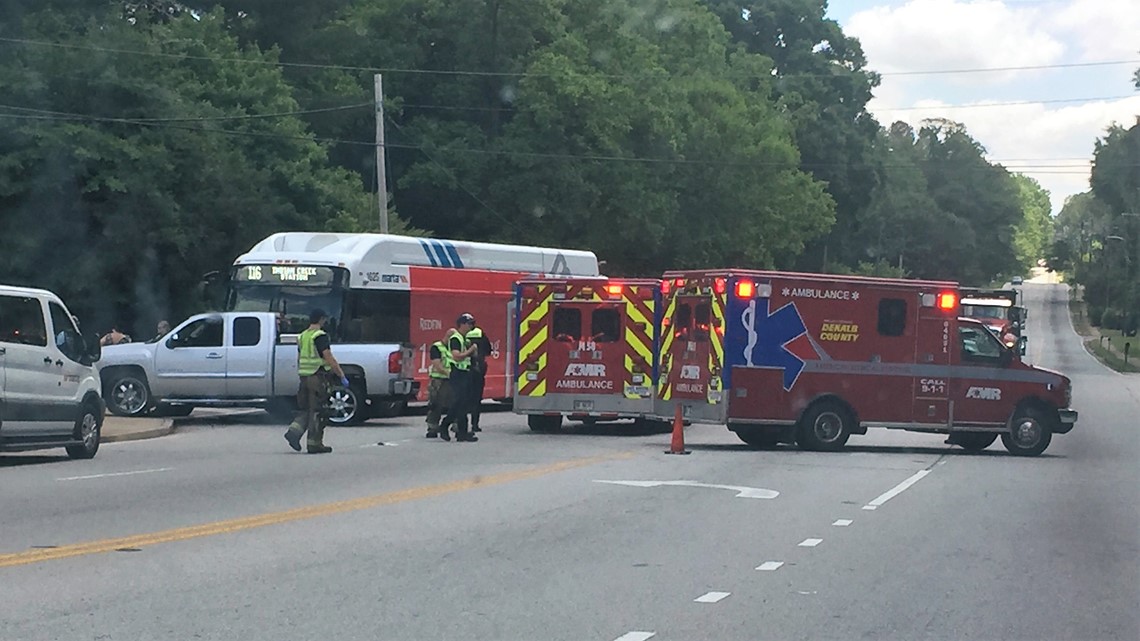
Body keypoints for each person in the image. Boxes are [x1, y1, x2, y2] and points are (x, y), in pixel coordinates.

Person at [284, 309, 348, 454]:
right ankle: (314, 444)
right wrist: (341, 375)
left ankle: (293, 432)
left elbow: (299, 358)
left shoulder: (302, 336)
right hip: (317, 377)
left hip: (304, 377)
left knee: (306, 408)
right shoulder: (320, 336)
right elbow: (328, 357)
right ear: (321, 319)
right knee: (318, 411)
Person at [443, 313, 479, 442]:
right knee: (459, 403)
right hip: (457, 372)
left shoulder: (464, 339)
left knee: (464, 404)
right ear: (462, 324)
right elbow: (456, 356)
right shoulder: (455, 339)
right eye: (469, 324)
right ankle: (445, 425)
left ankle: (462, 433)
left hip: (465, 372)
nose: (471, 326)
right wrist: (471, 350)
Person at [425, 330, 454, 440]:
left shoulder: (453, 348)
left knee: (455, 404)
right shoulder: (437, 347)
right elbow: (437, 365)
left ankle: (457, 426)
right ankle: (432, 428)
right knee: (435, 404)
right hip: (438, 381)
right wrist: (450, 373)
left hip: (452, 380)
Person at [465, 321, 493, 432]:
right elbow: (488, 351)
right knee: (476, 399)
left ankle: (458, 424)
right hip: (478, 370)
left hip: (464, 369)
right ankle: (475, 425)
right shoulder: (481, 334)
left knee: (461, 398)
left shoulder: (462, 335)